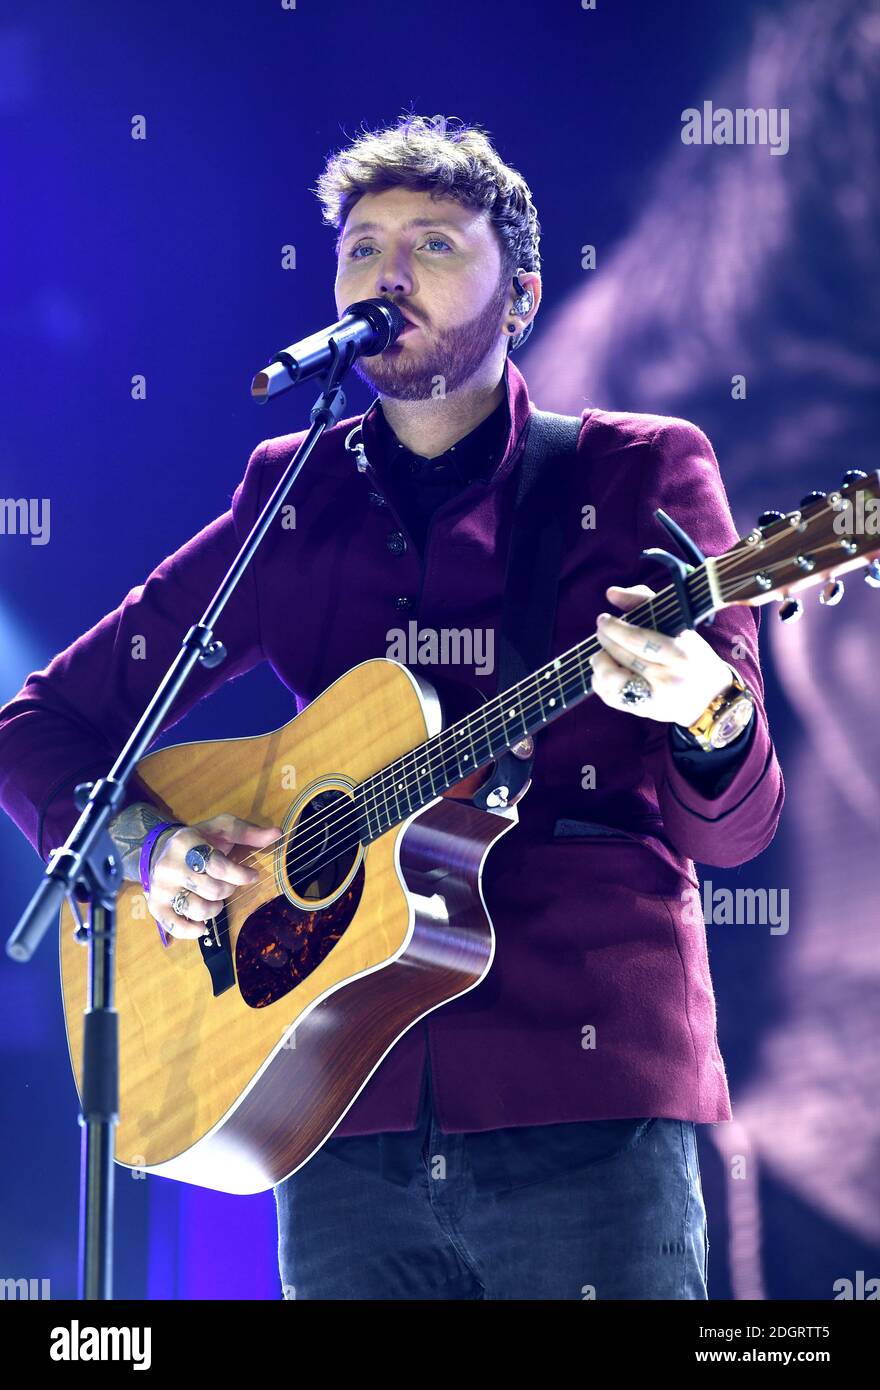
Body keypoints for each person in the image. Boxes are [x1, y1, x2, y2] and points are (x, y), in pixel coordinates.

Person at [0, 113, 784, 1300]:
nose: (387, 275)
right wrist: (148, 850)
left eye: (431, 245)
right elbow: (40, 725)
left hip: (581, 1108)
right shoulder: (291, 492)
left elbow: (734, 831)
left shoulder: (633, 472)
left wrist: (708, 711)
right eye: (362, 250)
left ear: (519, 295)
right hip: (334, 1119)